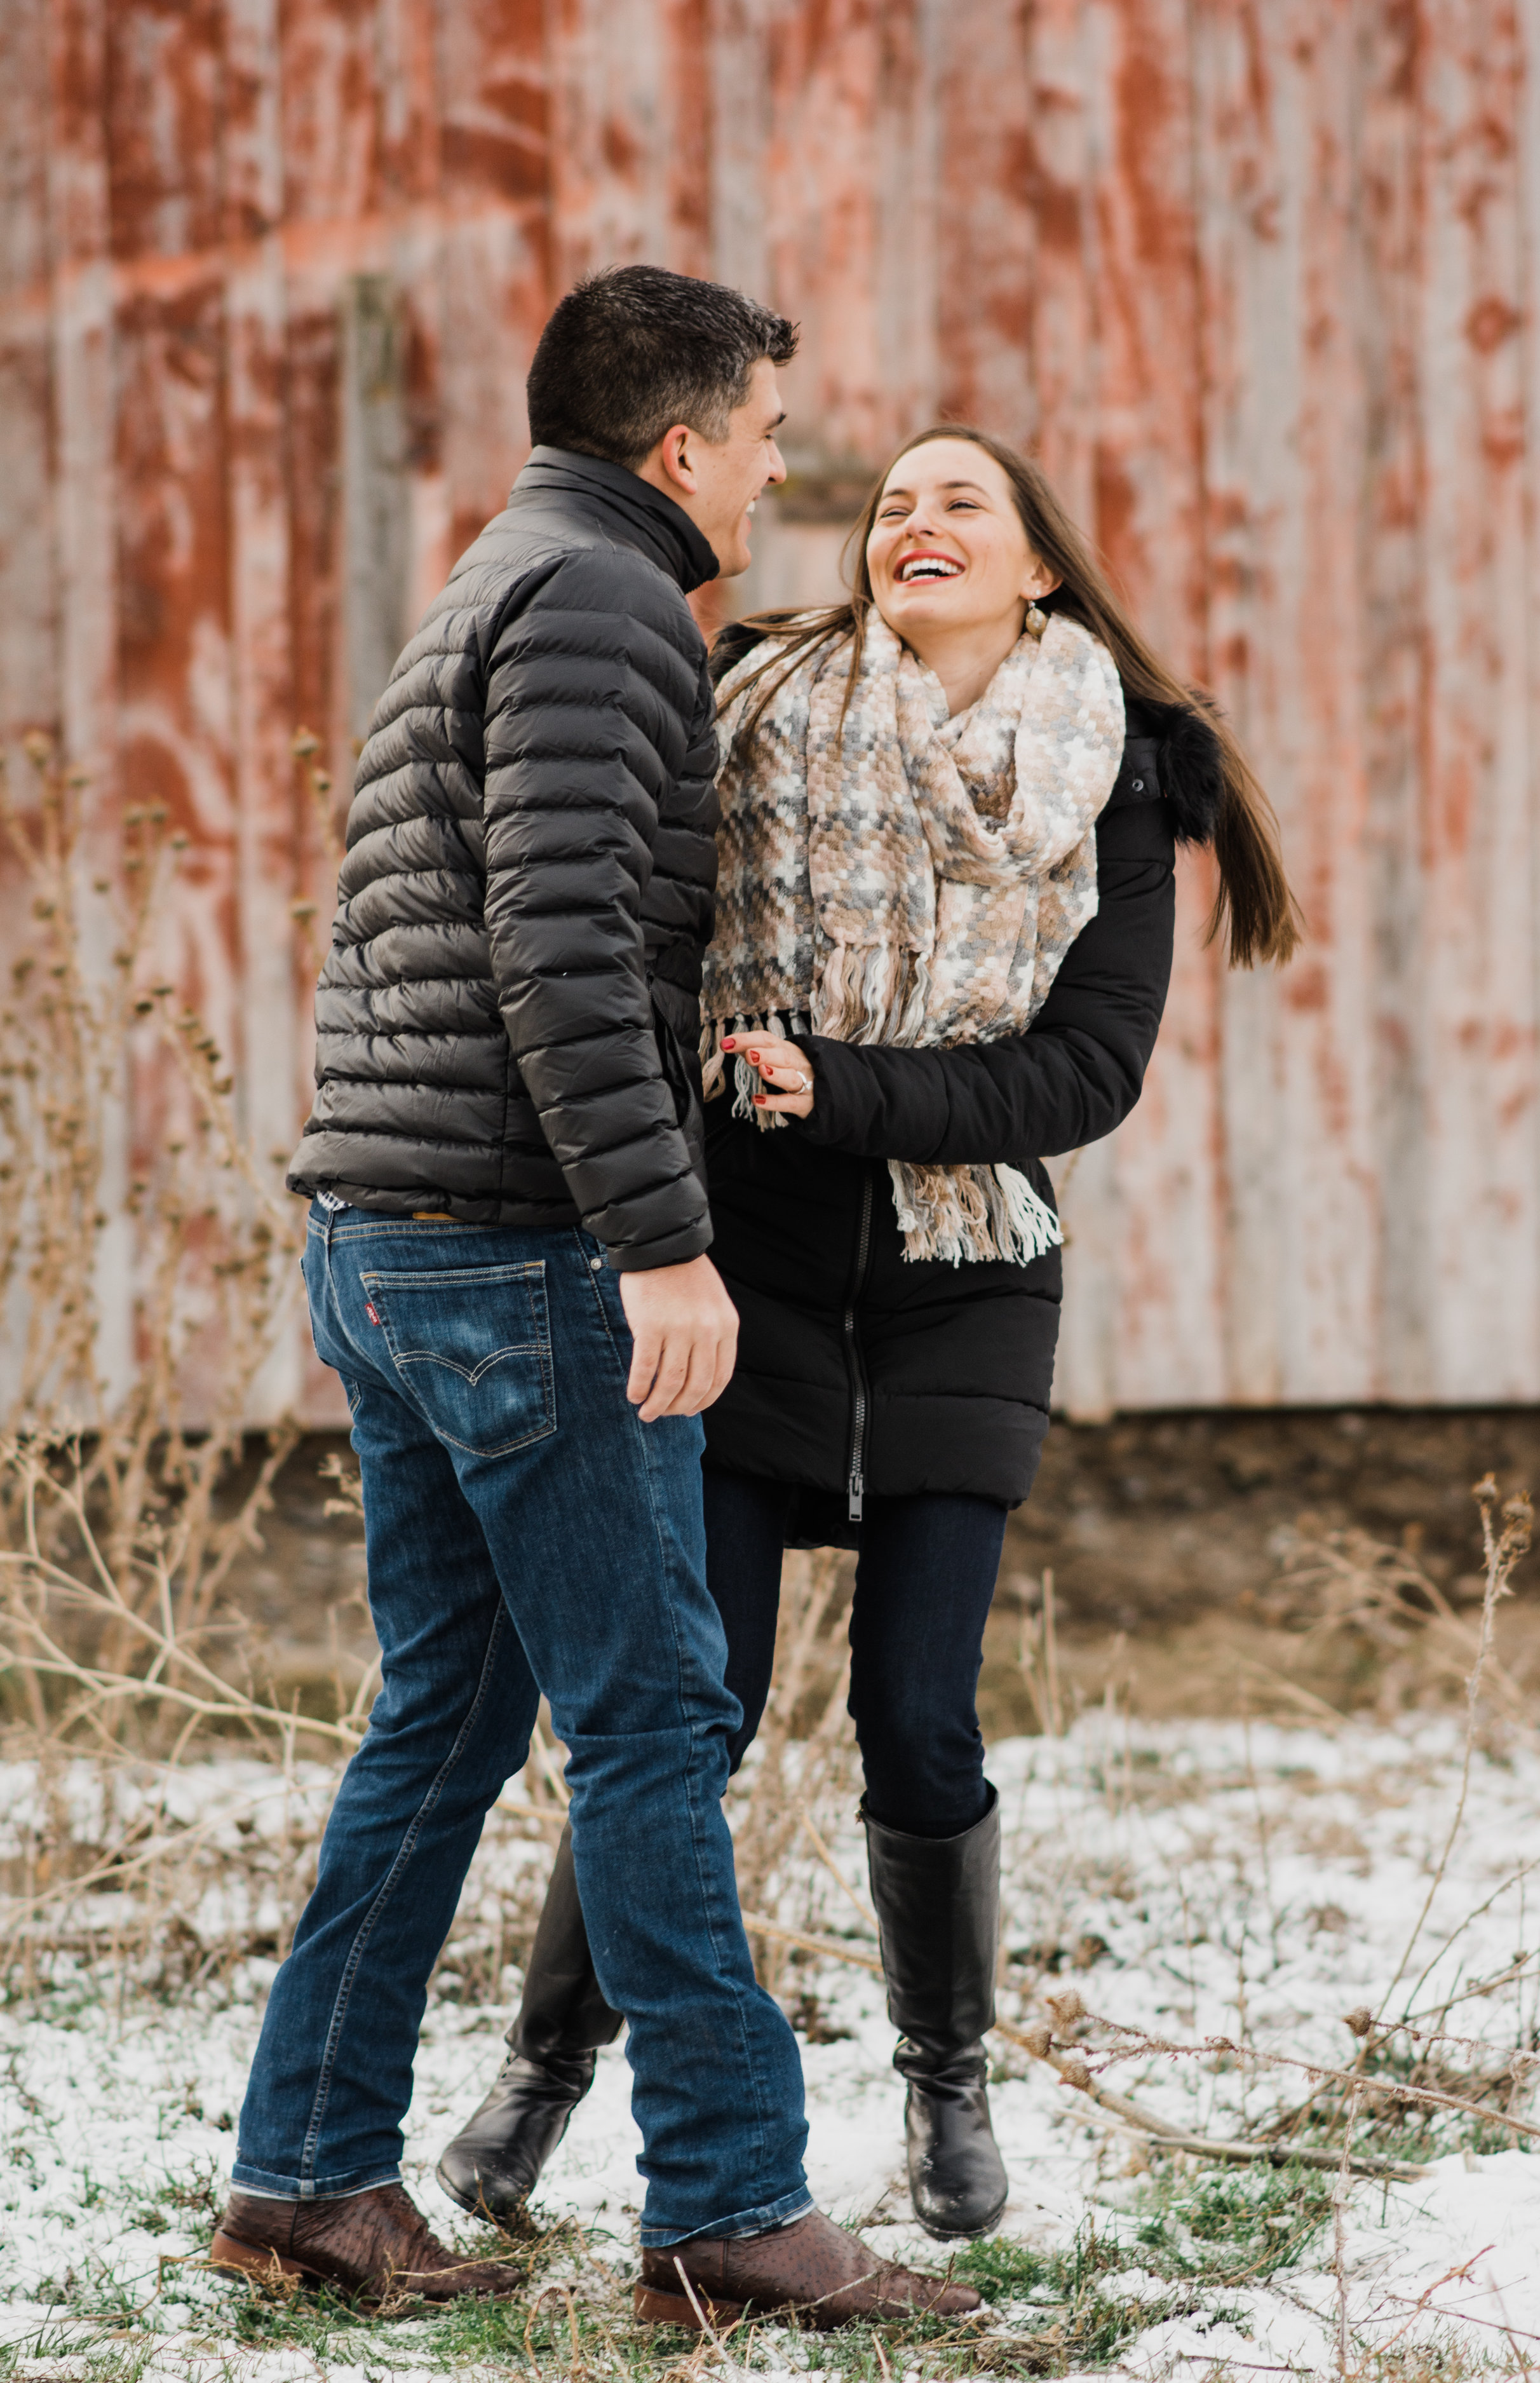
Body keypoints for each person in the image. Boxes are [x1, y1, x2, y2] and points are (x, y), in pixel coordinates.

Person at [208, 266, 978, 2334]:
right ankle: (731, 2213)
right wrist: (657, 1240)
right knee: (652, 1722)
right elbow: (556, 954)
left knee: (442, 1725)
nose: (776, 475)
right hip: (513, 1253)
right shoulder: (603, 604)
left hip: (392, 1238)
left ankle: (304, 2185)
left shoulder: (502, 573)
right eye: (763, 442)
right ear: (680, 447)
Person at [441, 423, 1301, 2244]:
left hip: (964, 1269)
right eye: (891, 502)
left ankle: (944, 2084)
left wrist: (828, 1085)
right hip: (734, 1262)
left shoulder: (1122, 772)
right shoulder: (754, 694)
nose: (912, 522)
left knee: (916, 1718)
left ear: (1039, 566)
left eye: (958, 503)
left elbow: (1082, 1073)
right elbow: (630, 914)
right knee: (694, 1706)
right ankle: (536, 2076)